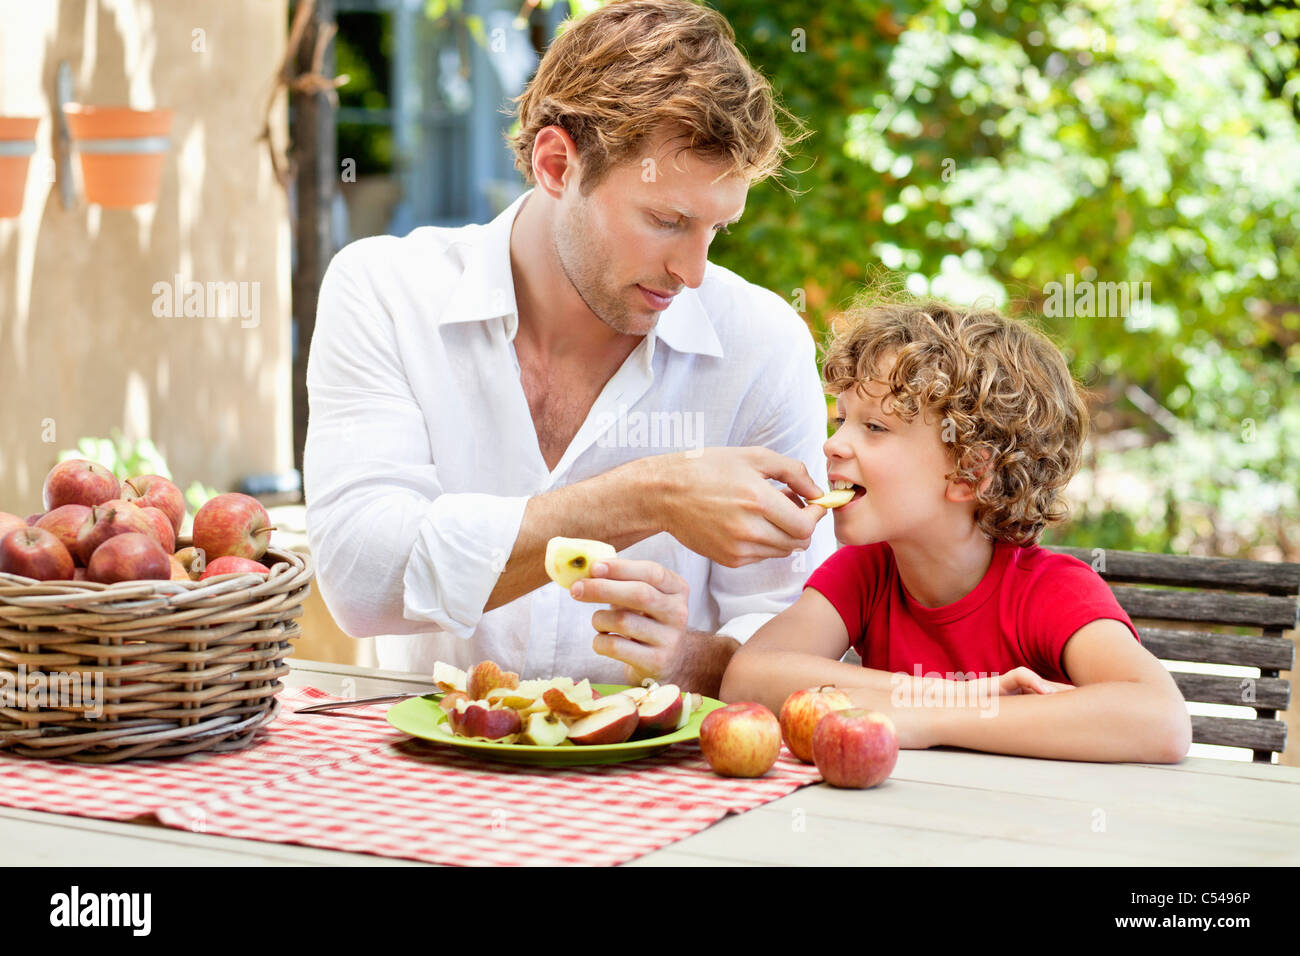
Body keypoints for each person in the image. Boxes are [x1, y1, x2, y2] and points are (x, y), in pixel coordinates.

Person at [303, 0, 835, 697]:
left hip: (673, 793)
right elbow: (361, 577)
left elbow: (801, 645)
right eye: (666, 220)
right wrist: (648, 497)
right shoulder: (385, 293)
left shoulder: (760, 345)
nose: (693, 271)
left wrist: (685, 659)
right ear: (557, 164)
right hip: (428, 781)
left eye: (716, 229)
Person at [720, 296, 1193, 762]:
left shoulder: (1049, 591)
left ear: (969, 474)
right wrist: (945, 697)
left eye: (876, 428)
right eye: (842, 420)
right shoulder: (865, 573)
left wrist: (930, 720)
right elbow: (750, 678)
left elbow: (1160, 718)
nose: (833, 445)